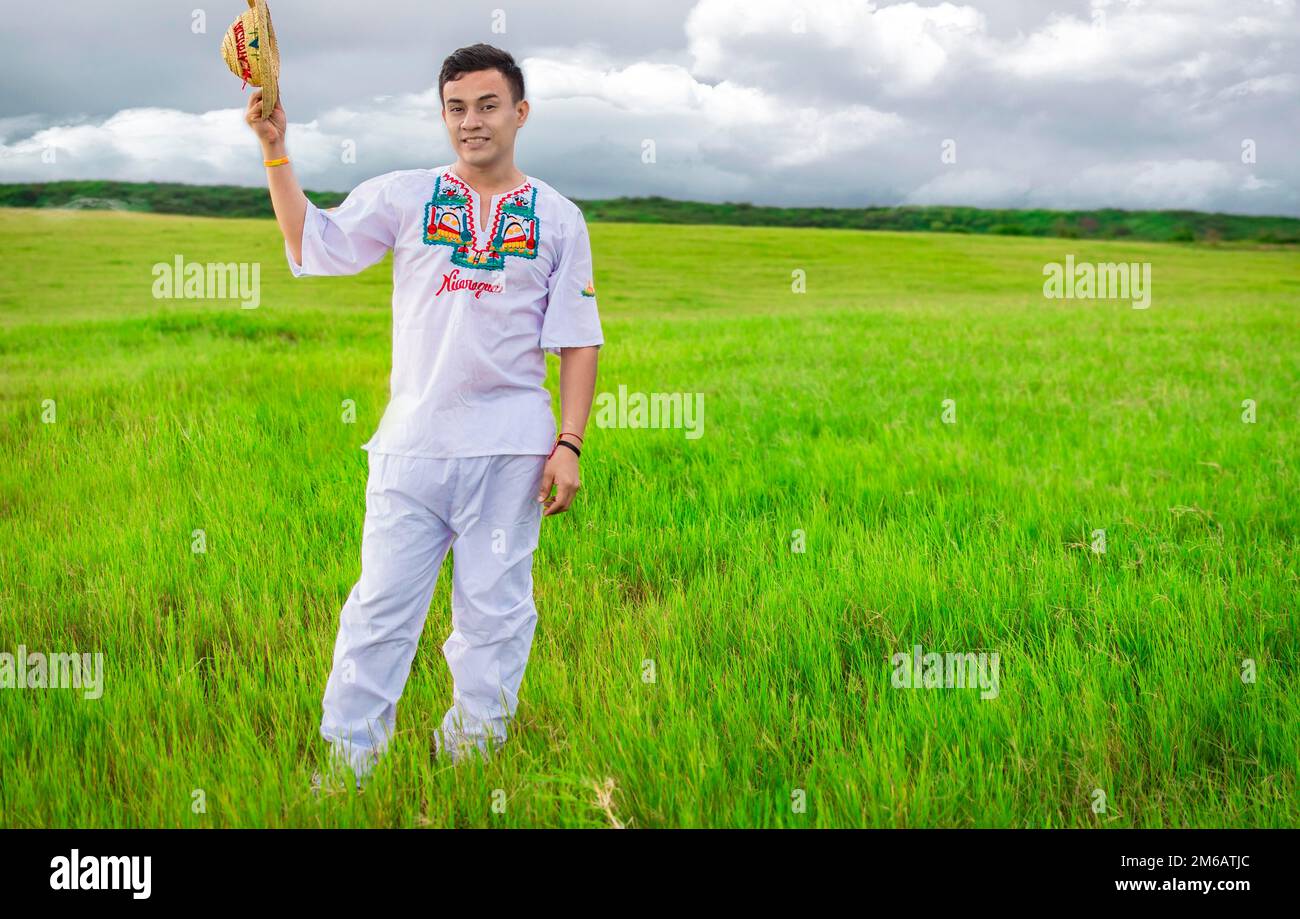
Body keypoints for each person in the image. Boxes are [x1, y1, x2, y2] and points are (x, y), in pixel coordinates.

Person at [244, 43, 603, 789]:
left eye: (487, 105)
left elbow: (577, 342)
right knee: (379, 610)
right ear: (443, 115)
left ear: (520, 112)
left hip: (510, 452)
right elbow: (314, 243)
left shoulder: (560, 219)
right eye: (457, 108)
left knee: (496, 617)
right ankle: (348, 765)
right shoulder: (405, 195)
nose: (471, 122)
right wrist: (276, 150)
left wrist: (569, 443)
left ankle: (470, 758)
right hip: (411, 448)